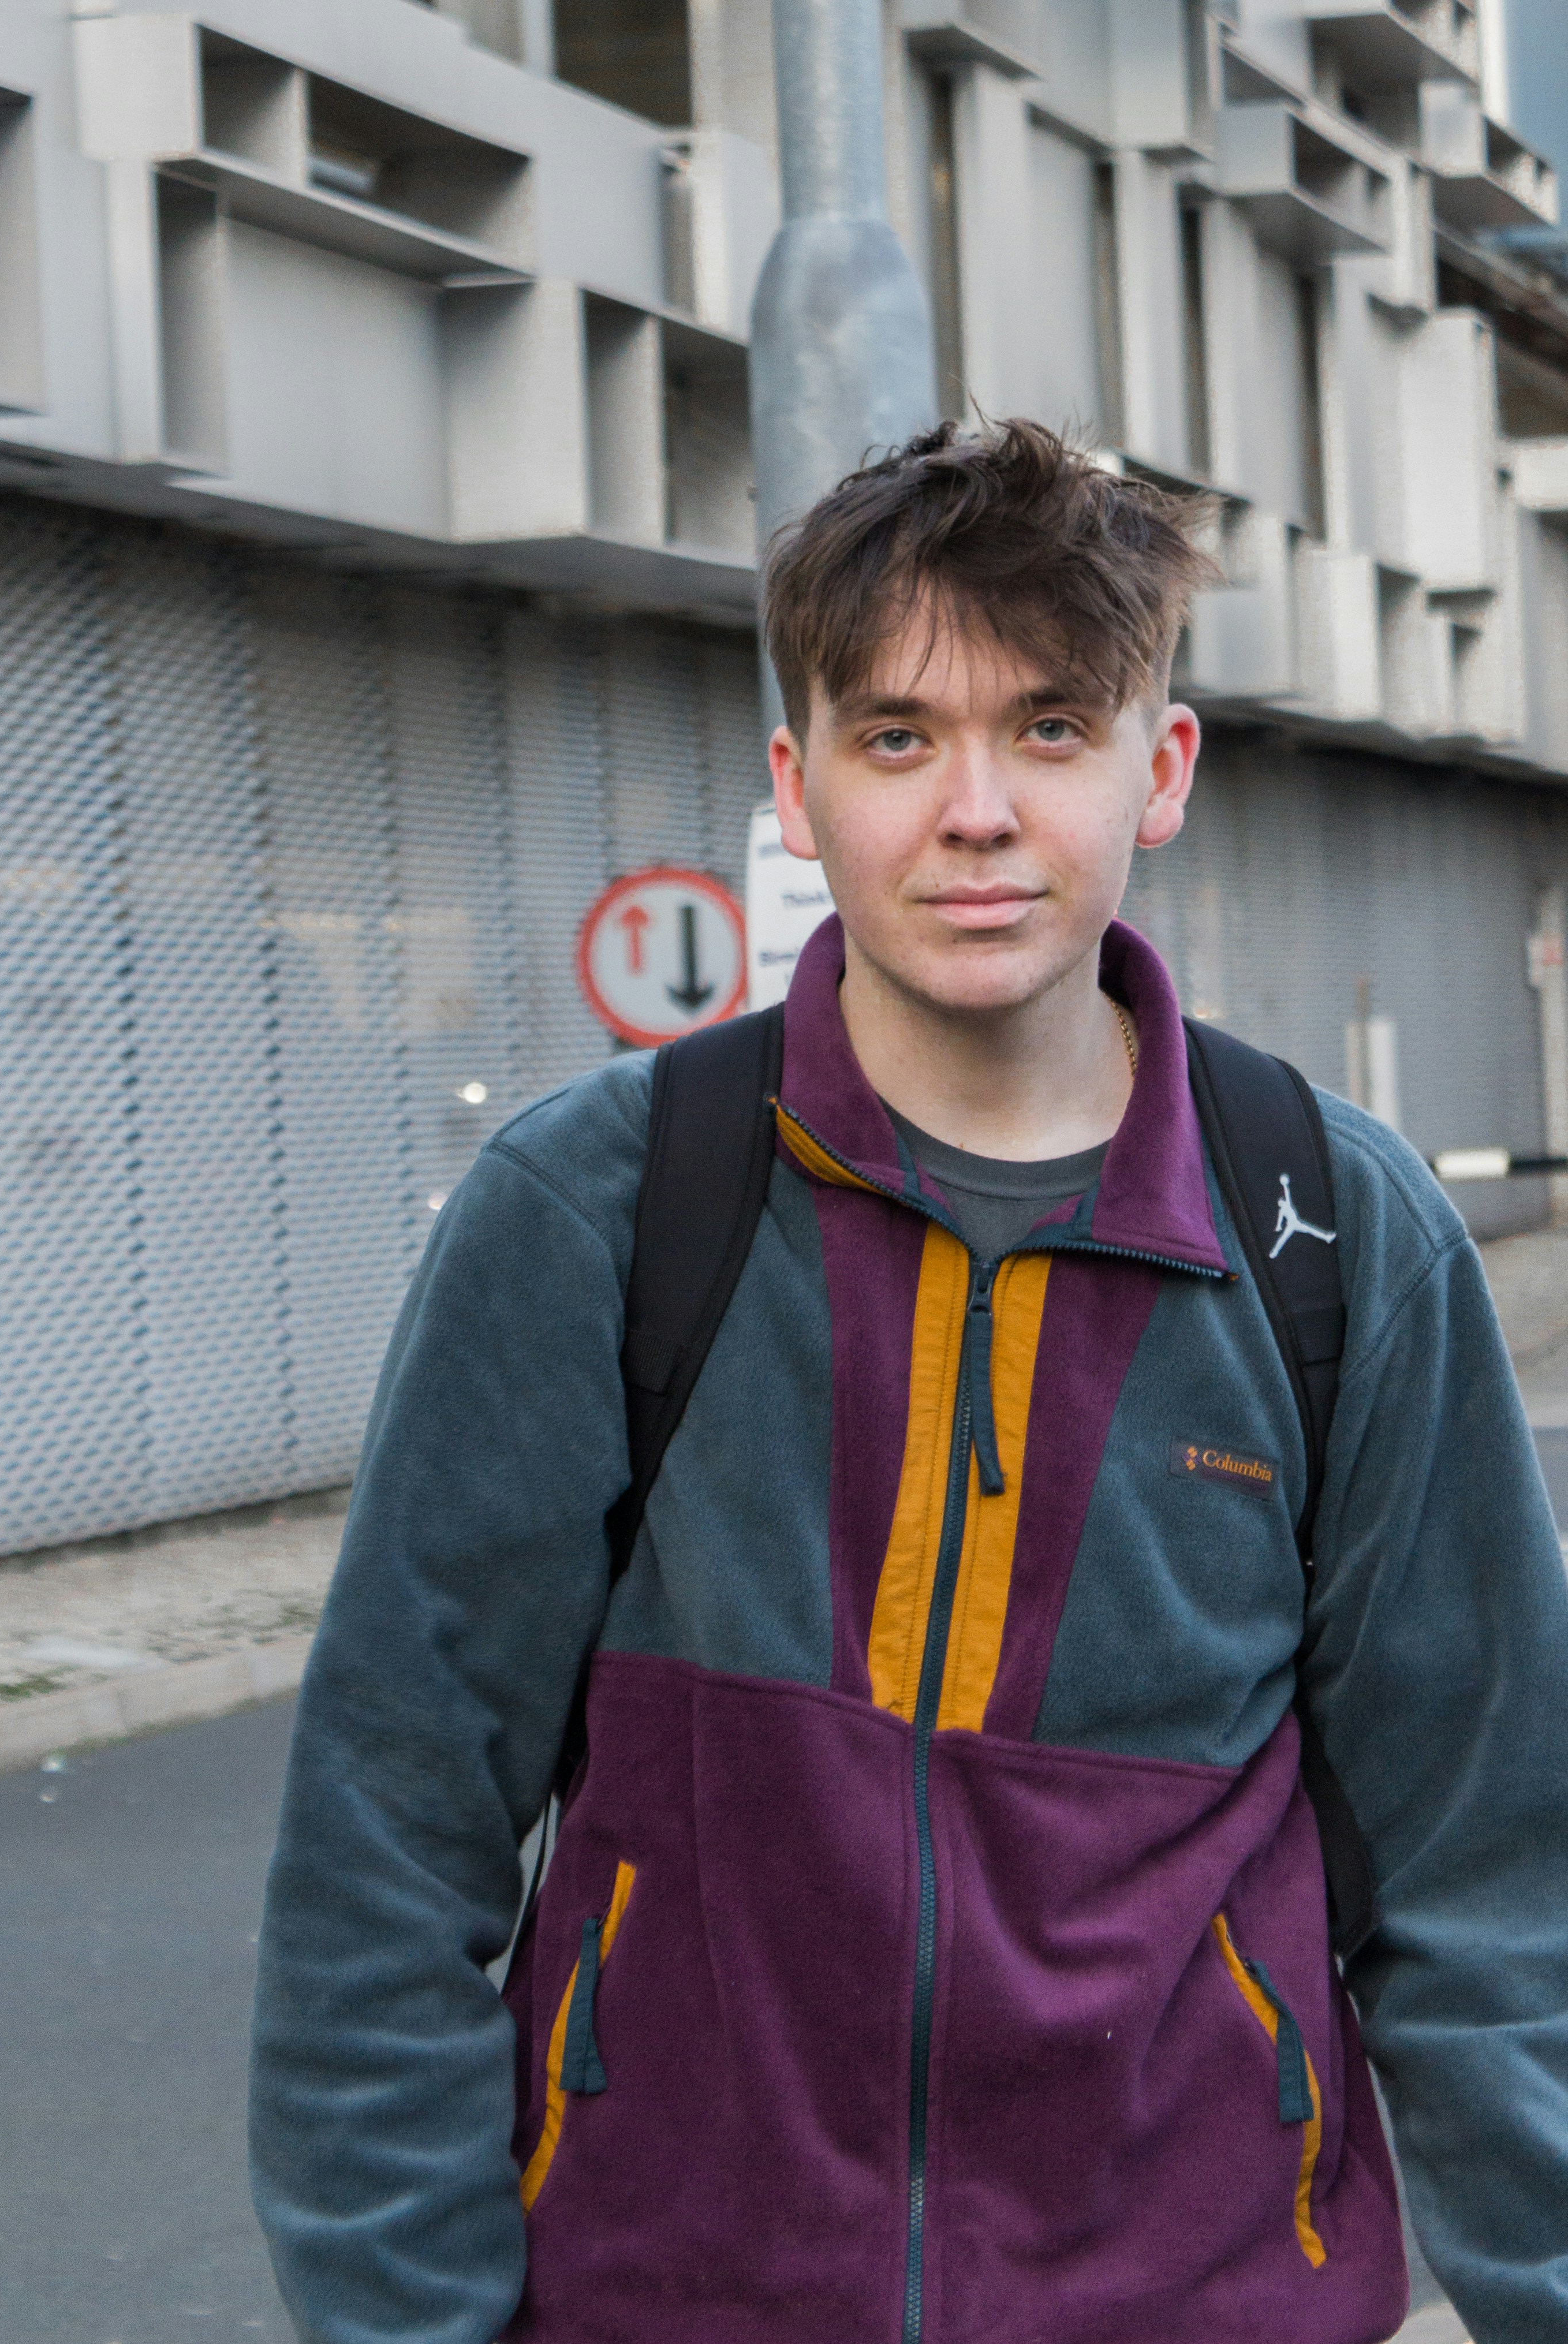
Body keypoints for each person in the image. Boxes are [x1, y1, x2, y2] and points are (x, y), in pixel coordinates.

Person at [249, 421, 1568, 2343]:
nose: (975, 809)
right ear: (796, 789)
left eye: (1050, 727)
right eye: (896, 737)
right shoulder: (601, 1208)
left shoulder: (1335, 1235)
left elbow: (1496, 1884)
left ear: (1161, 769)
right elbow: (390, 1853)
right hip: (669, 2296)